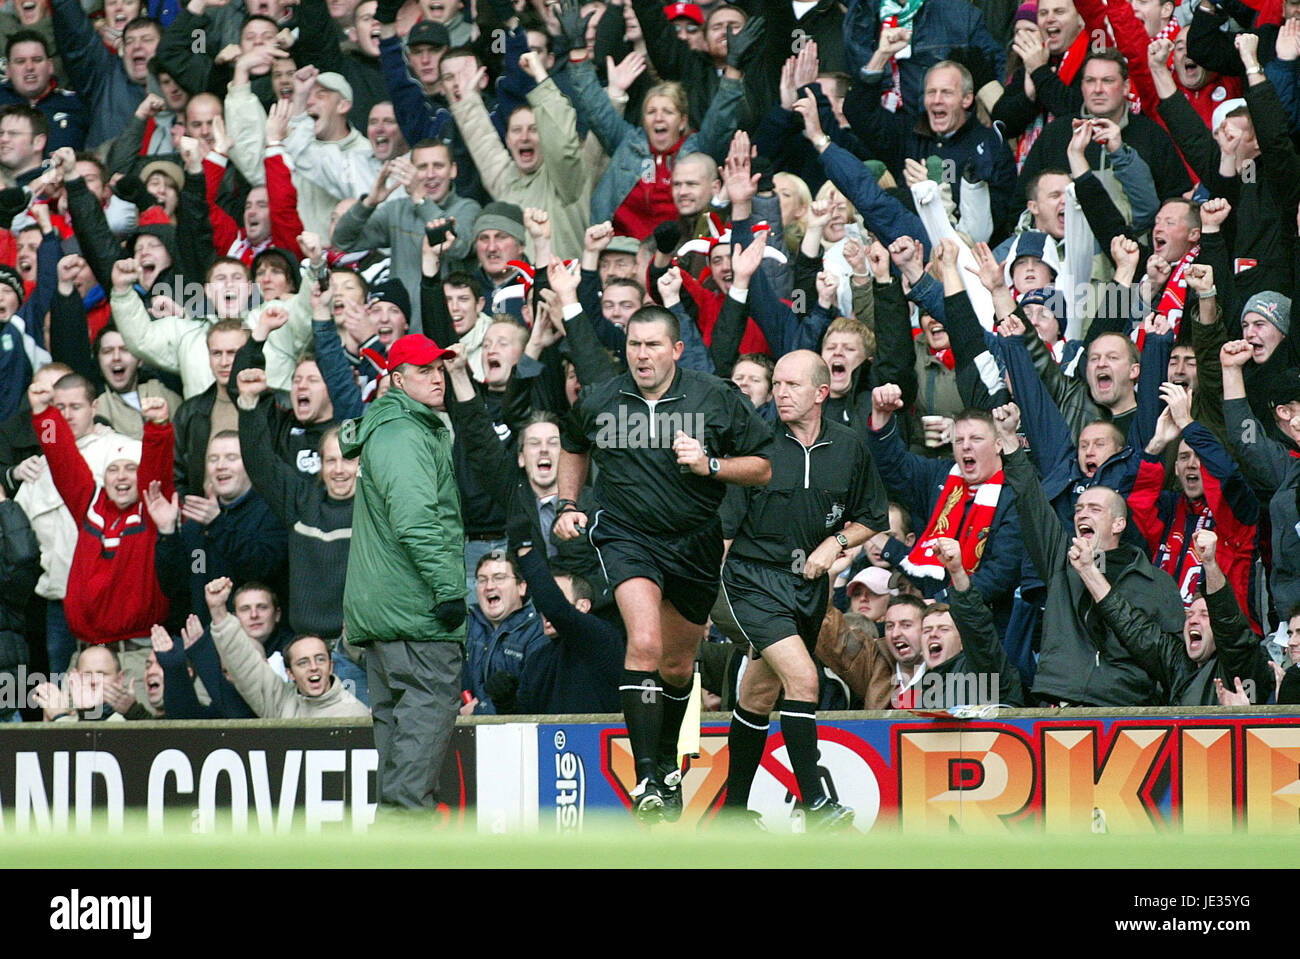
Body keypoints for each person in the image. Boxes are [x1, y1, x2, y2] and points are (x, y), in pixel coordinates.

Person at [556, 303, 773, 821]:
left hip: (695, 543)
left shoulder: (715, 396)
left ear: (676, 349)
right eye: (634, 344)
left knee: (677, 666)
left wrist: (711, 464)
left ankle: (670, 767)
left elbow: (763, 467)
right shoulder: (602, 397)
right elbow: (573, 444)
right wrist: (567, 504)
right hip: (627, 536)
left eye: (653, 345)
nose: (642, 355)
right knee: (646, 642)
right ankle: (647, 776)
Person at [719, 350, 888, 830]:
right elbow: (725, 536)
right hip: (753, 582)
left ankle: (731, 814)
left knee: (758, 694)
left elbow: (872, 518)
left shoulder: (851, 447)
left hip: (810, 587)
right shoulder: (757, 447)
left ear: (821, 392)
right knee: (804, 680)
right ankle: (816, 805)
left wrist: (833, 544)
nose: (780, 392)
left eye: (792, 385)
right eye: (776, 384)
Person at [341, 332, 466, 811]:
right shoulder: (406, 433)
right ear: (396, 379)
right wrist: (449, 590)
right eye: (424, 371)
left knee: (399, 758)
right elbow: (416, 520)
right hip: (418, 614)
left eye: (440, 369)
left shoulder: (393, 428)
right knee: (412, 769)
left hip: (391, 616)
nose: (437, 378)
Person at [993, 401, 1186, 706]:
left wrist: (1092, 575)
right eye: (1079, 508)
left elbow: (1171, 661)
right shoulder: (1060, 562)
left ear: (1119, 523)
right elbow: (1032, 504)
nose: (1082, 514)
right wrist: (1009, 442)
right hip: (1060, 703)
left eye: (1095, 509)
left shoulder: (1155, 581)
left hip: (1125, 710)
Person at [204, 576, 369, 718]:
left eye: (320, 660)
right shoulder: (281, 703)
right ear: (290, 673)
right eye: (303, 662)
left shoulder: (355, 713)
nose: (313, 667)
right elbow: (245, 666)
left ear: (331, 666)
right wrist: (218, 610)